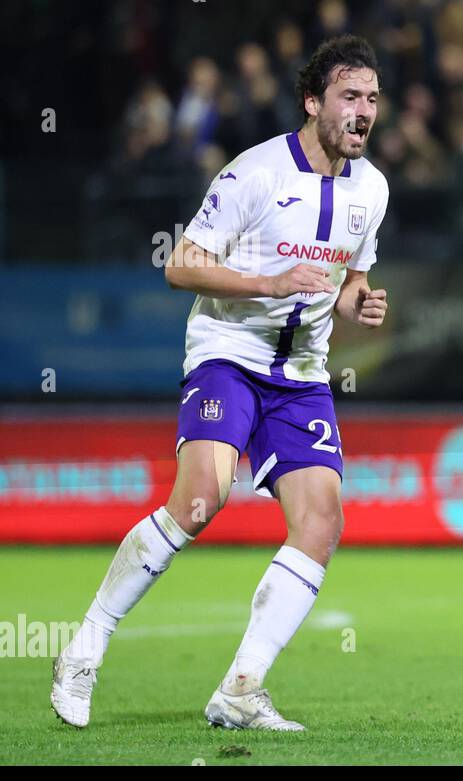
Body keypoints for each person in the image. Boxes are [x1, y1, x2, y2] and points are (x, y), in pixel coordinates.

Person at [51, 35, 390, 730]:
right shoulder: (254, 174)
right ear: (313, 102)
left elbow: (350, 282)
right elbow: (181, 265)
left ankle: (241, 687)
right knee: (200, 502)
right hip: (229, 354)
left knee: (322, 522)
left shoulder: (374, 189)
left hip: (301, 376)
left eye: (373, 100)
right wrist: (265, 282)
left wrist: (362, 303)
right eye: (350, 97)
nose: (363, 113)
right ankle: (84, 648)